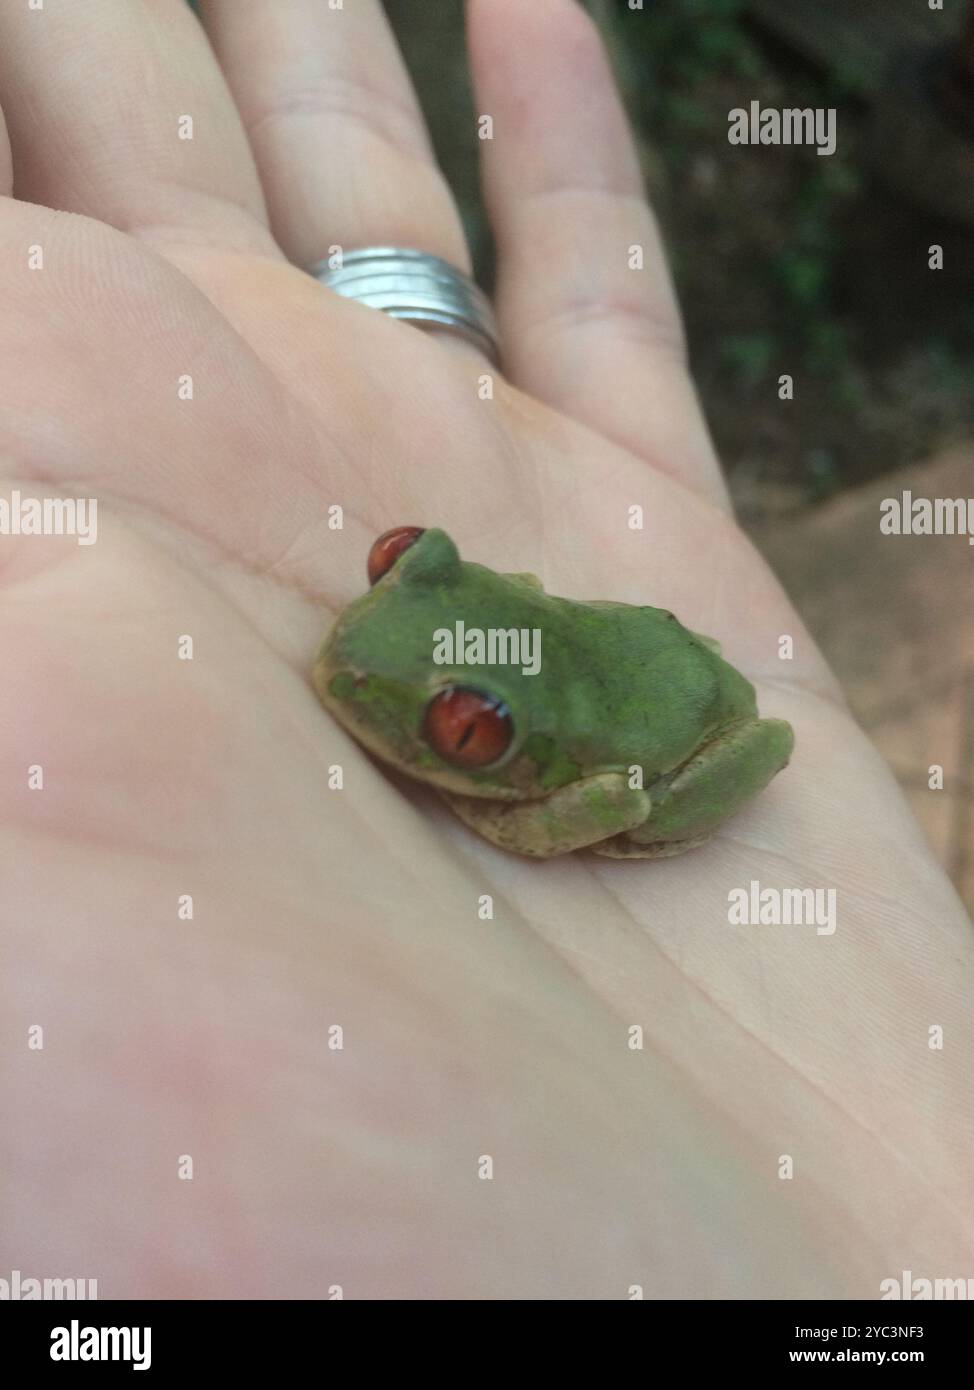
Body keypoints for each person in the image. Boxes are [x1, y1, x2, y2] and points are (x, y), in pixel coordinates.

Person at [1, 0, 971, 1299]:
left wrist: (542, 826)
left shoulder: (590, 766)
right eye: (399, 560)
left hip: (685, 731)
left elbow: (619, 783)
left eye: (461, 722)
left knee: (650, 755)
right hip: (617, 647)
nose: (359, 648)